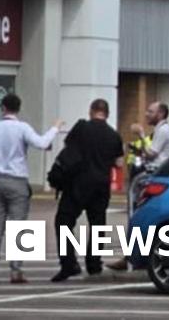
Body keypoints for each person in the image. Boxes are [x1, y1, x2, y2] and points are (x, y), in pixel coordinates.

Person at [0, 94, 63, 284]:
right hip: (18, 181)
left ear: (3, 108)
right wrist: (55, 128)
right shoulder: (22, 128)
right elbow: (42, 143)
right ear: (18, 108)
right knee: (18, 227)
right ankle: (15, 270)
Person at [52, 99, 124, 282]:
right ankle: (94, 265)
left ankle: (69, 264)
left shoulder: (82, 128)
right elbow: (119, 163)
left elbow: (69, 148)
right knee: (98, 225)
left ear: (92, 111)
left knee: (64, 221)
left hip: (77, 184)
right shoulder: (114, 135)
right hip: (101, 186)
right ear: (106, 113)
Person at [107, 101, 169, 272]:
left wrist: (141, 134)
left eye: (151, 111)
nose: (146, 114)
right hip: (154, 175)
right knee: (140, 217)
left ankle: (135, 258)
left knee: (139, 217)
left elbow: (152, 153)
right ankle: (132, 256)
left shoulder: (164, 131)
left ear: (160, 114)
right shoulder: (161, 130)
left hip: (155, 176)